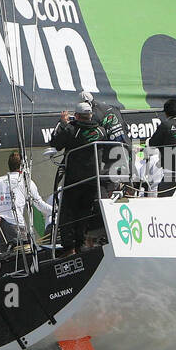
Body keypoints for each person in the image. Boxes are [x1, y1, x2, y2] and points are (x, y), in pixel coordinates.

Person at [49, 101, 106, 249]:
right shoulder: (101, 131)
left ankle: (70, 248)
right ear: (91, 115)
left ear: (77, 115)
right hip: (93, 181)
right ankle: (81, 244)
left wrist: (62, 122)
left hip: (75, 181)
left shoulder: (72, 130)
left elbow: (55, 142)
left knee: (68, 214)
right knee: (84, 213)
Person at [0, 151, 53, 250]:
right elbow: (40, 205)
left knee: (5, 256)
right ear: (23, 166)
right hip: (16, 224)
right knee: (25, 253)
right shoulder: (26, 181)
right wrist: (56, 210)